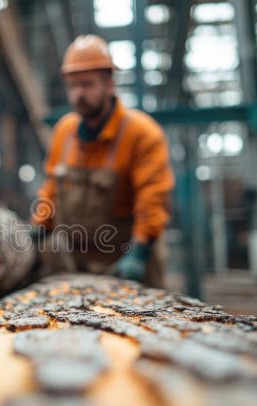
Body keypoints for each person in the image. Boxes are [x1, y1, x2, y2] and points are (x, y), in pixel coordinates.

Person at [31, 35, 174, 287]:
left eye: (87, 84)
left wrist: (139, 253)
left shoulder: (142, 134)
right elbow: (51, 188)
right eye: (73, 86)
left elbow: (152, 199)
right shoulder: (64, 132)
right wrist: (40, 224)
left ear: (109, 84)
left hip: (128, 263)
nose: (79, 94)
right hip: (80, 265)